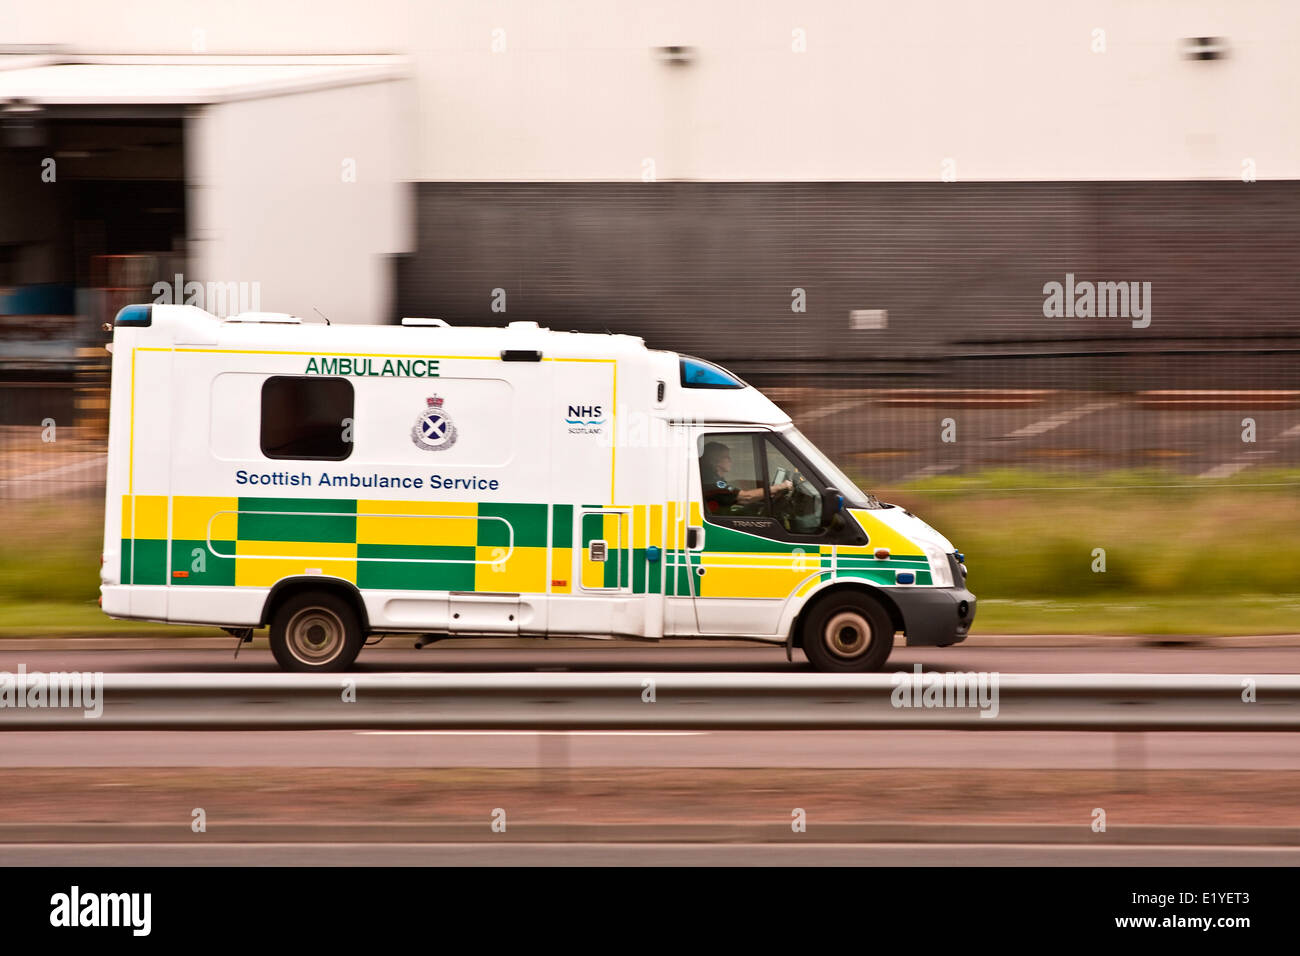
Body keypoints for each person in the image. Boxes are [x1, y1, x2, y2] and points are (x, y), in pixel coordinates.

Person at [699, 440, 792, 514]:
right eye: (726, 457)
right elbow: (746, 497)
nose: (730, 460)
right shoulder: (712, 483)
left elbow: (734, 495)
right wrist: (779, 487)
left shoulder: (716, 479)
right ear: (714, 461)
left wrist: (768, 493)